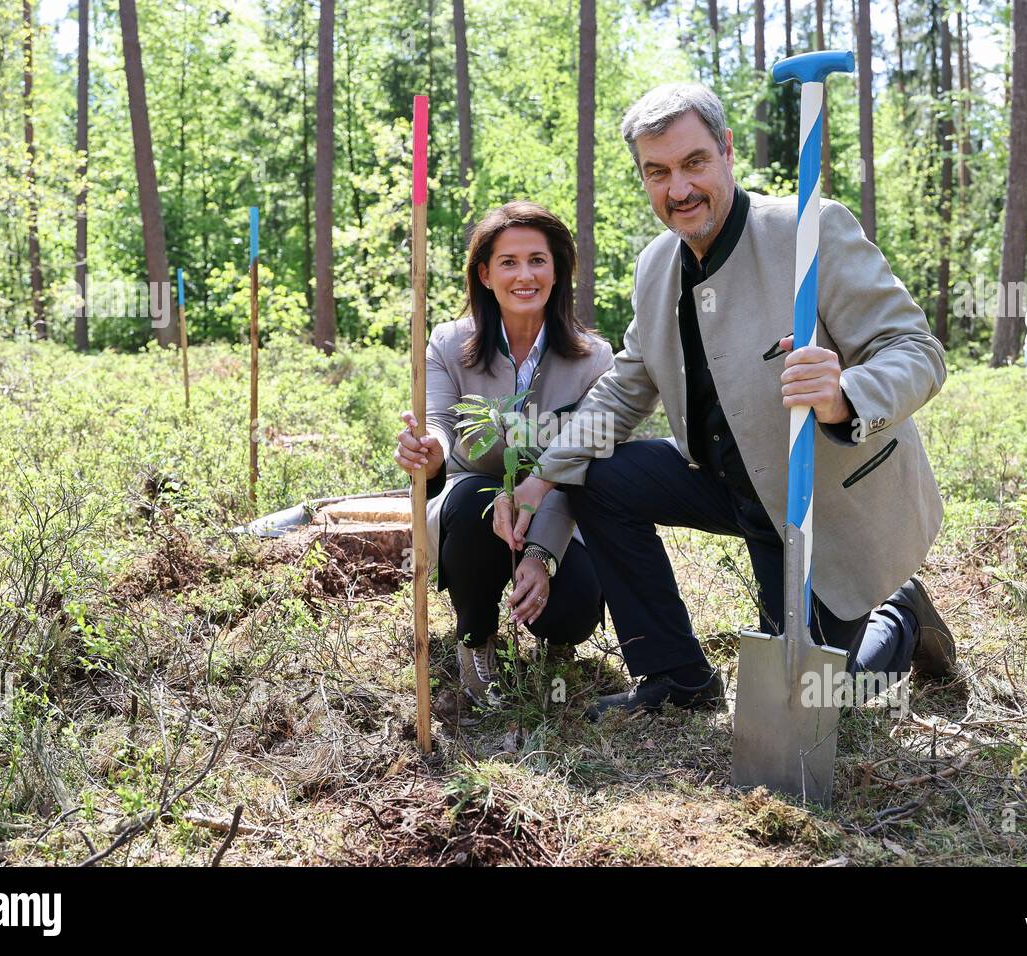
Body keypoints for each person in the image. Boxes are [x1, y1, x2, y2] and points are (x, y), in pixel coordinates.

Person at [499, 84, 955, 718]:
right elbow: (627, 384)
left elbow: (917, 349)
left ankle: (899, 614)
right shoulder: (657, 265)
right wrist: (542, 479)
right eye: (657, 172)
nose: (678, 189)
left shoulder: (810, 232)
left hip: (817, 504)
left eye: (693, 163)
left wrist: (845, 392)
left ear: (727, 151)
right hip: (726, 481)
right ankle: (675, 678)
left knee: (812, 702)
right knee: (596, 476)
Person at [393, 201, 614, 710]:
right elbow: (443, 426)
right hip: (471, 502)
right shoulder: (450, 343)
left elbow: (585, 461)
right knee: (477, 500)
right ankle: (476, 639)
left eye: (538, 259)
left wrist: (540, 552)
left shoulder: (593, 360)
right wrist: (428, 451)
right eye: (508, 262)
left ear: (558, 270)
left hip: (559, 505)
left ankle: (554, 642)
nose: (524, 275)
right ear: (484, 274)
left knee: (571, 612)